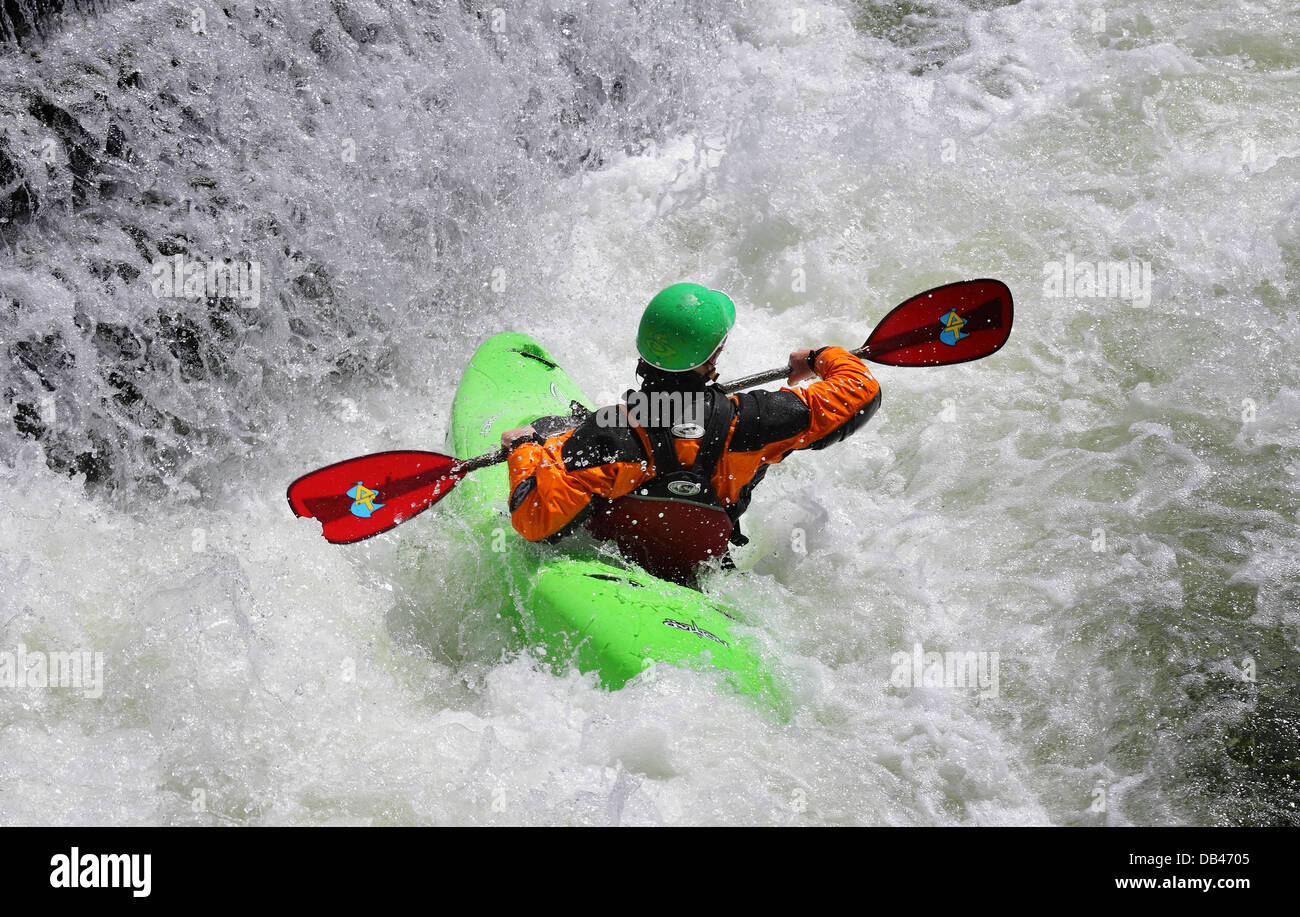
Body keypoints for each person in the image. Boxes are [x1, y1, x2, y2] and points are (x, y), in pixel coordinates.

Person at [500, 282, 882, 587]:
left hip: (611, 567)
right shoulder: (752, 423)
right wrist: (818, 357)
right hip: (702, 579)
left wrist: (523, 448)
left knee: (551, 432)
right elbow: (859, 389)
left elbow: (534, 521)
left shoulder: (606, 432)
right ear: (712, 358)